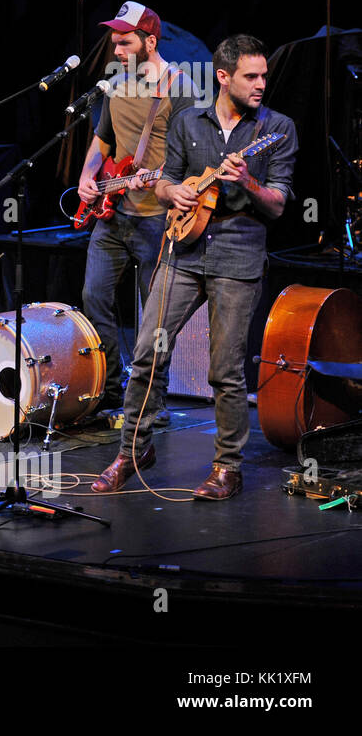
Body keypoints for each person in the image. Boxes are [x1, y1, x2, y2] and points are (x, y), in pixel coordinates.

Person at [91, 34, 298, 500]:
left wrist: (250, 182)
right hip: (183, 249)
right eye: (251, 76)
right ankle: (132, 451)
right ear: (223, 77)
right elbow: (164, 181)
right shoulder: (189, 122)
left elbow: (280, 203)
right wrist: (174, 193)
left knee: (225, 371)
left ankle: (228, 466)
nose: (261, 83)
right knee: (147, 352)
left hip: (238, 254)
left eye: (264, 75)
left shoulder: (278, 128)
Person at [77, 1, 200, 417]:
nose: (117, 51)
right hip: (112, 214)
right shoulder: (115, 87)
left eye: (125, 42)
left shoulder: (180, 87)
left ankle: (152, 401)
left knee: (155, 320)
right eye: (114, 43)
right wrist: (87, 176)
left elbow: (195, 154)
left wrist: (165, 178)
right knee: (93, 298)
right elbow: (103, 141)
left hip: (157, 220)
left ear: (150, 41)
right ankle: (112, 391)